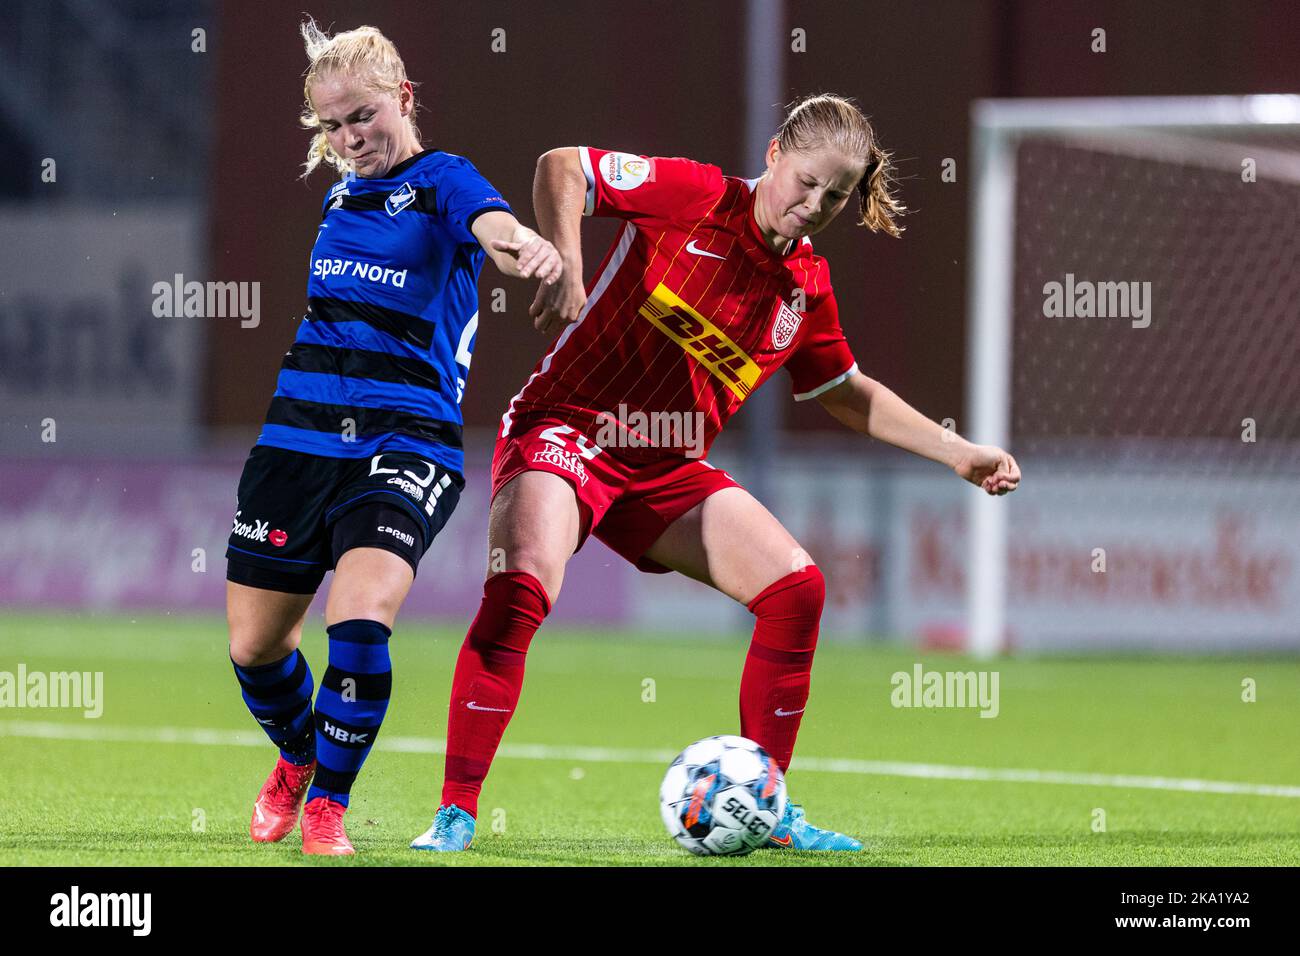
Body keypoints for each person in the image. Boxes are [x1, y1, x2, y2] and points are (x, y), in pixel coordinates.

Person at [410, 93, 1021, 853]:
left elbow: (845, 393)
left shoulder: (806, 287)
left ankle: (769, 809)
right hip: (565, 431)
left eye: (835, 195)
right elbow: (562, 167)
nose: (814, 203)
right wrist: (566, 261)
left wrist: (958, 452)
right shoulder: (694, 196)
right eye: (805, 180)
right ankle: (456, 814)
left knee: (796, 589)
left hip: (665, 469)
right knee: (521, 592)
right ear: (773, 155)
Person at [224, 18, 561, 856]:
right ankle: (301, 758)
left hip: (405, 440)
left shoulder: (442, 180)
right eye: (333, 127)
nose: (350, 138)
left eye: (363, 116)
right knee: (255, 648)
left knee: (360, 617)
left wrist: (529, 250)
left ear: (403, 98)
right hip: (297, 438)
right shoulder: (342, 195)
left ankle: (330, 806)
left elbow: (493, 229)